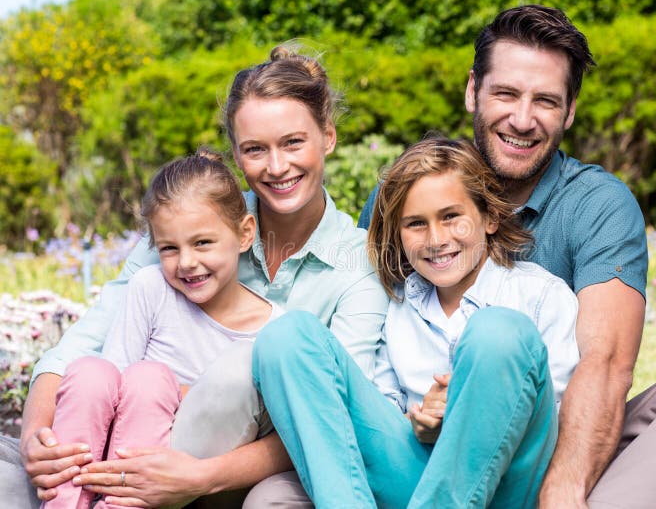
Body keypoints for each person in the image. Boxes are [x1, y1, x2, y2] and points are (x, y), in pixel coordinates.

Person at [357, 5, 656, 508]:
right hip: (423, 446)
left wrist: (564, 489)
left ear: (570, 110)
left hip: (562, 439)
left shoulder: (598, 204)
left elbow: (604, 364)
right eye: (506, 93)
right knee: (275, 497)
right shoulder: (408, 191)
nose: (522, 118)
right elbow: (364, 339)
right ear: (473, 90)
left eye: (545, 100)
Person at [0, 46, 388, 508]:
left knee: (244, 372)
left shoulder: (357, 266)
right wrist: (37, 442)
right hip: (129, 435)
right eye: (254, 150)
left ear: (328, 137)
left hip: (234, 471)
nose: (277, 166)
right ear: (236, 155)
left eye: (293, 143)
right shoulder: (191, 221)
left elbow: (332, 418)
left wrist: (200, 477)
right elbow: (83, 344)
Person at [252, 136, 579, 507]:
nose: (436, 239)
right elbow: (381, 418)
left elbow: (554, 419)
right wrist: (421, 423)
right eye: (415, 224)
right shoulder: (398, 305)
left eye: (451, 216)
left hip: (508, 487)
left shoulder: (541, 296)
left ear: (488, 217)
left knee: (499, 333)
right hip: (415, 480)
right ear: (398, 234)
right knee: (286, 337)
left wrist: (466, 411)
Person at [44, 150, 285, 509]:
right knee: (94, 373)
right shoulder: (151, 287)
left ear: (245, 233)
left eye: (202, 242)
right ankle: (66, 502)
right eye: (169, 248)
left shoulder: (276, 328)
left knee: (153, 379)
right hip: (120, 445)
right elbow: (111, 383)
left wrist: (175, 392)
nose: (187, 262)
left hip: (195, 474)